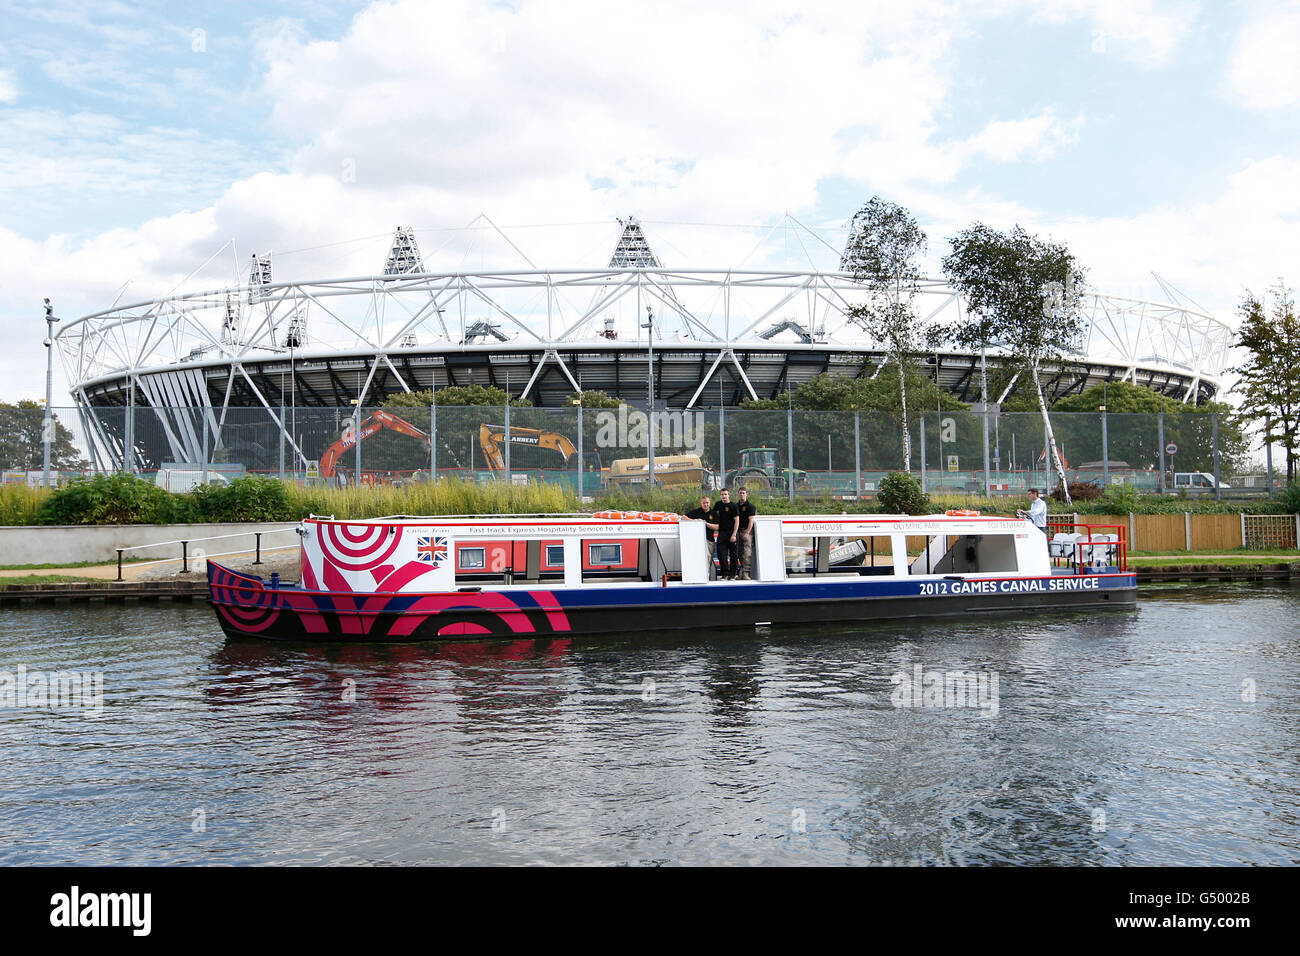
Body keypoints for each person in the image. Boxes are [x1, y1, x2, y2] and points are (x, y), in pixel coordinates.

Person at [684, 495, 719, 580]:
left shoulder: (714, 513)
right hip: (697, 541)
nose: (705, 504)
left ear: (710, 503)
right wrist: (695, 522)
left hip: (709, 540)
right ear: (701, 503)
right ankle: (698, 578)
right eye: (704, 503)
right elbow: (683, 517)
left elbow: (717, 527)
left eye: (707, 503)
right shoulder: (697, 511)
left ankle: (707, 578)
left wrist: (705, 523)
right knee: (697, 560)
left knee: (708, 559)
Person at [712, 488, 741, 580]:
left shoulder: (734, 506)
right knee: (722, 554)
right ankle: (725, 574)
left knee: (733, 555)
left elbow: (737, 520)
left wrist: (734, 534)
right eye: (722, 494)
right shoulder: (718, 505)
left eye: (725, 494)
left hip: (732, 533)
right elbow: (713, 515)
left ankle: (733, 574)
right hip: (722, 533)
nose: (724, 496)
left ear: (729, 495)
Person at [736, 486, 757, 580]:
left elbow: (751, 521)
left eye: (743, 493)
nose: (742, 494)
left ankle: (746, 573)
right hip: (737, 531)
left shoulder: (750, 506)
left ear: (746, 494)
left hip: (746, 531)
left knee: (747, 553)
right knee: (739, 553)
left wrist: (747, 533)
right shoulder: (735, 506)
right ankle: (741, 572)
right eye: (740, 493)